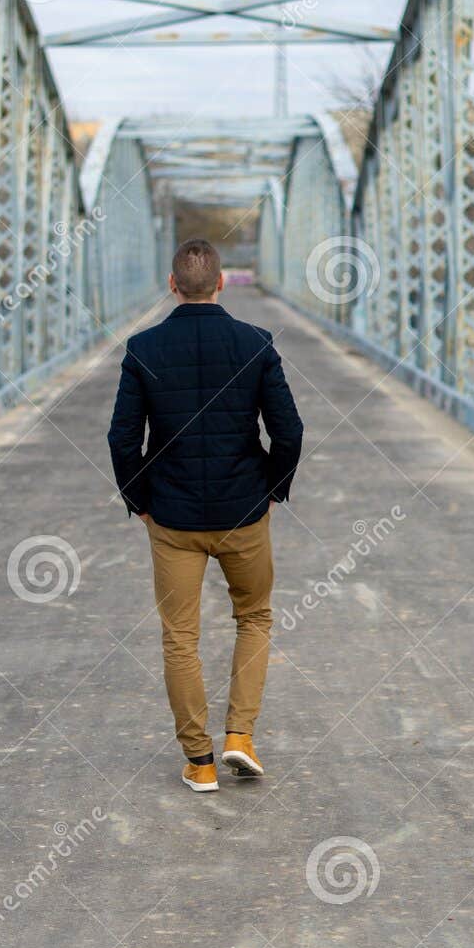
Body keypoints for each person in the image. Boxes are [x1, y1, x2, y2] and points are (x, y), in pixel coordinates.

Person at [107, 239, 304, 792]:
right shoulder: (255, 342)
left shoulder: (143, 348)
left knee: (180, 637)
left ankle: (200, 762)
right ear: (221, 282)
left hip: (173, 519)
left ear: (173, 285)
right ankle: (241, 736)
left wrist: (141, 501)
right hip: (244, 510)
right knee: (255, 617)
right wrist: (273, 489)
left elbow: (122, 438)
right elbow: (289, 430)